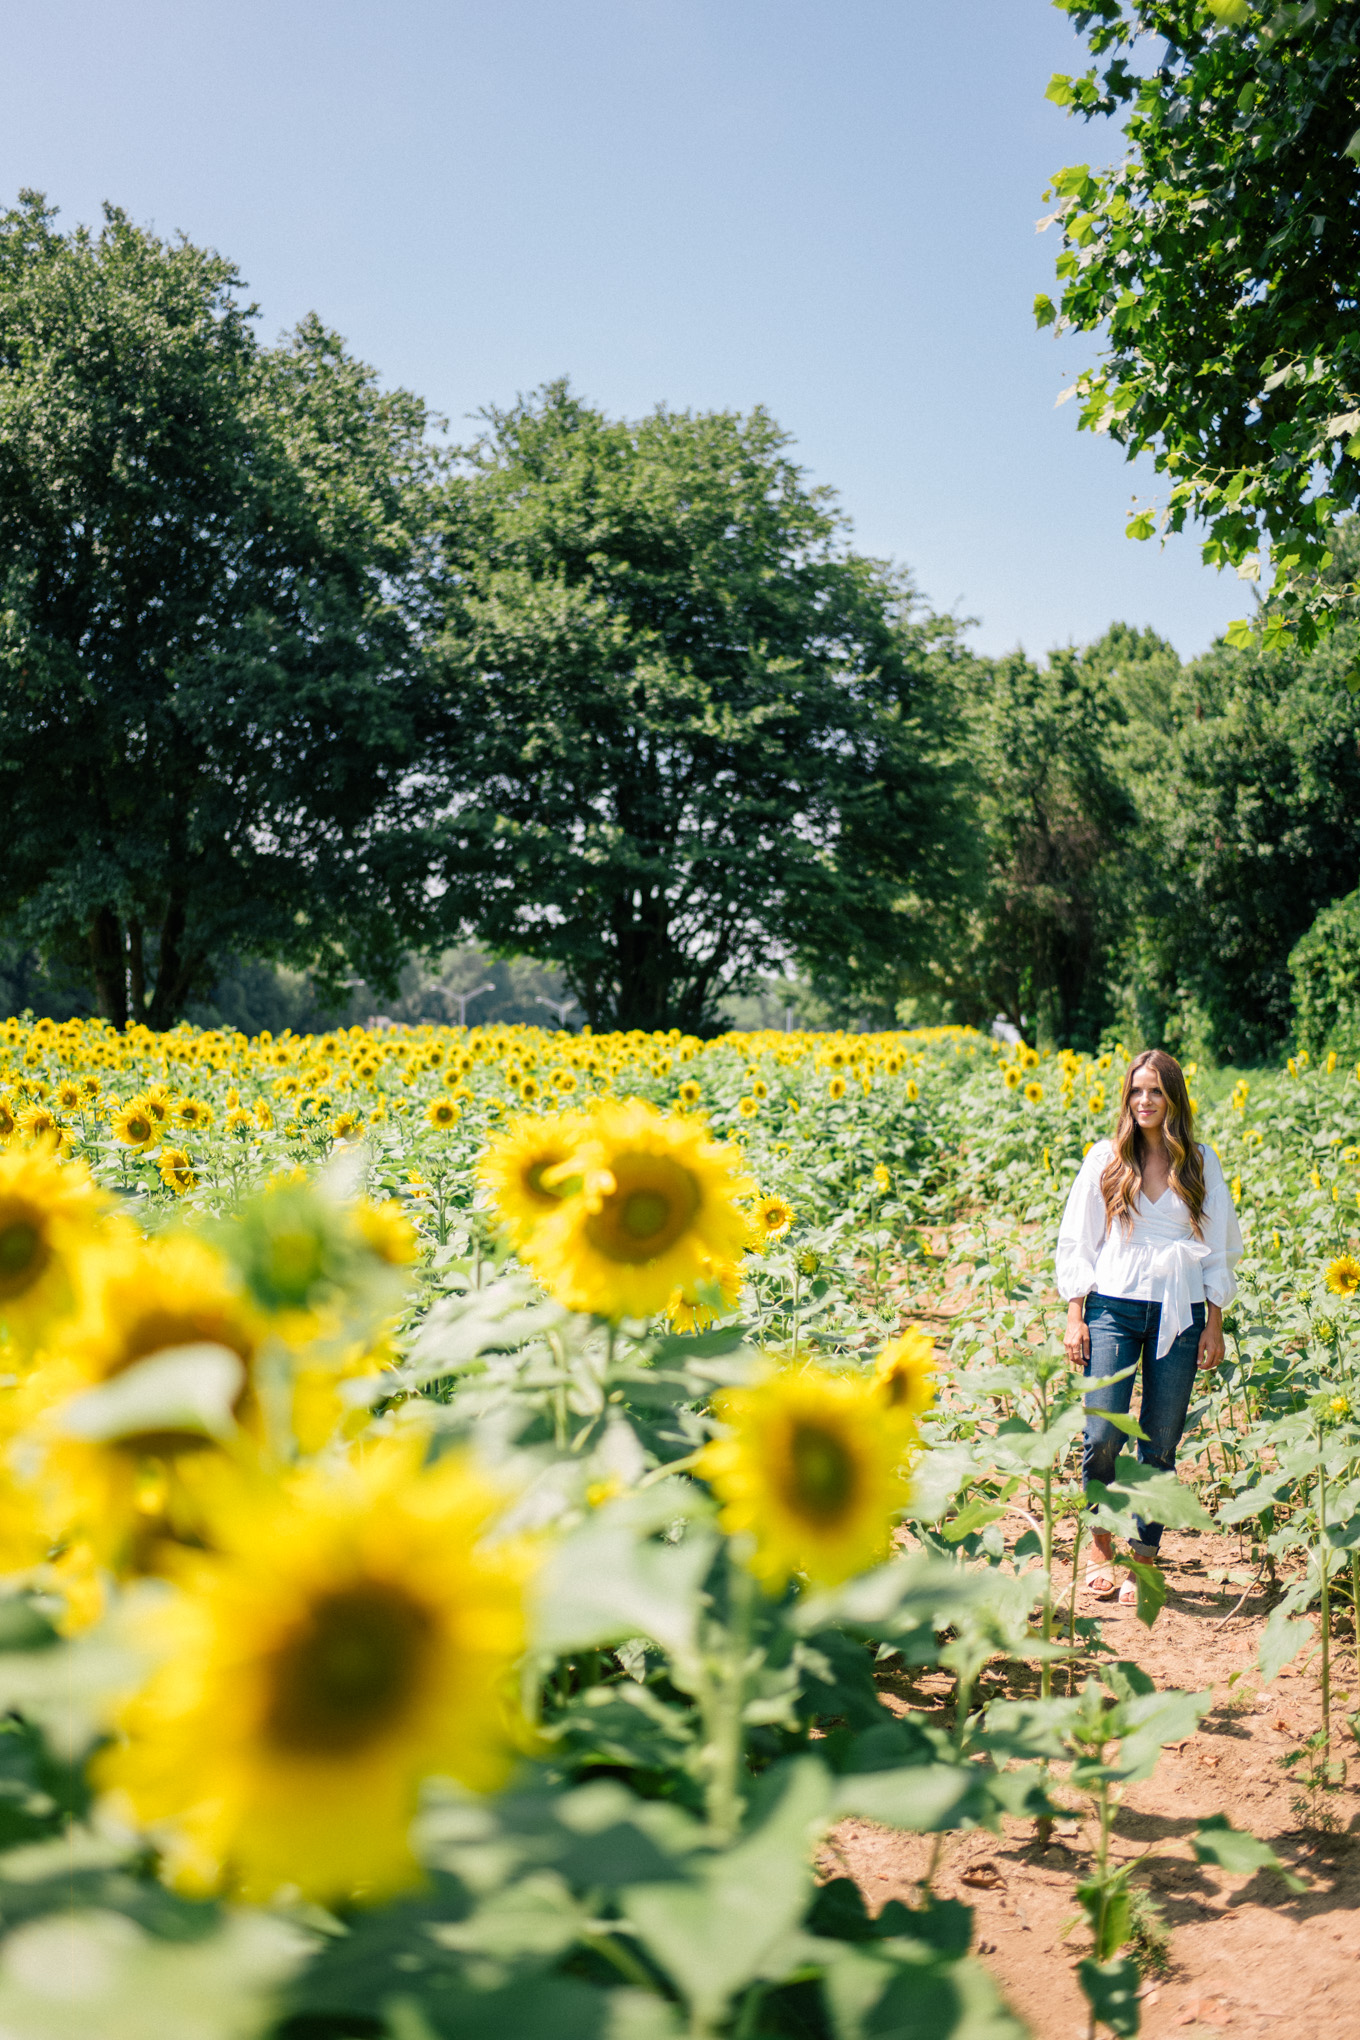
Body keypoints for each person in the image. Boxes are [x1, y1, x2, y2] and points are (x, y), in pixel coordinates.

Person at [1055, 1049, 1242, 1603]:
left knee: (1161, 1439)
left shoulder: (1200, 1162)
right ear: (1126, 1098)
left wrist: (1215, 1321)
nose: (1145, 1101)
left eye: (1156, 1091)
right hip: (1112, 1304)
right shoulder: (1105, 1159)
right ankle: (1100, 1544)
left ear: (1173, 1098)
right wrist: (1075, 1313)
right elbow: (1077, 1239)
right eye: (1137, 1091)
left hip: (1180, 1311)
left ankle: (1143, 1555)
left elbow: (1218, 1248)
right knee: (1103, 1430)